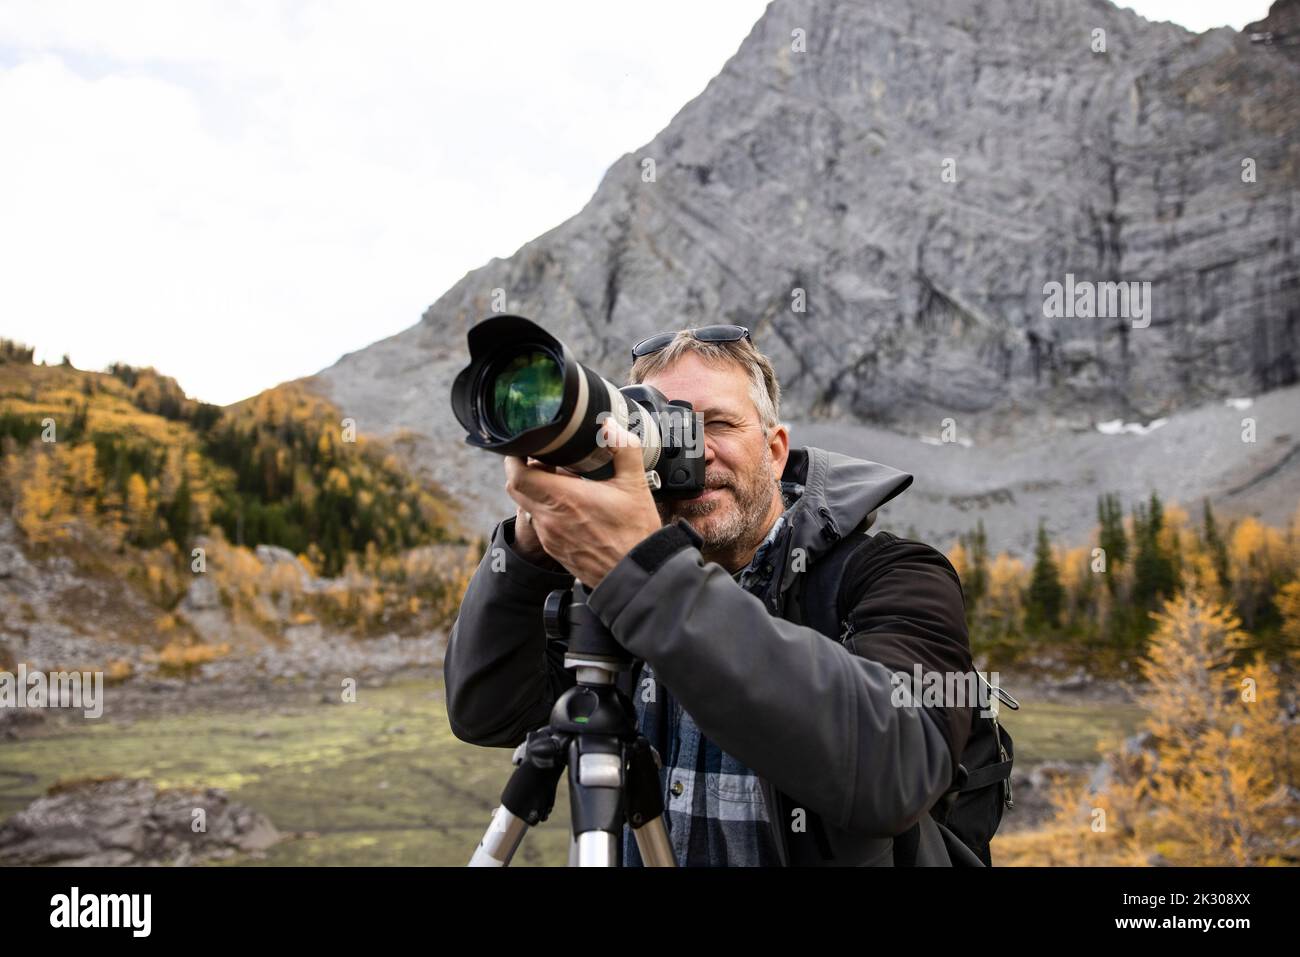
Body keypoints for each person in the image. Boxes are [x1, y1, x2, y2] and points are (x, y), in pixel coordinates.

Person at [443, 326, 975, 865]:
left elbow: (899, 771)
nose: (696, 451)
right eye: (669, 428)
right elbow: (488, 714)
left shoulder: (892, 574)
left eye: (717, 424)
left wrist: (648, 575)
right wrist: (527, 561)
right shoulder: (618, 588)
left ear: (774, 451)